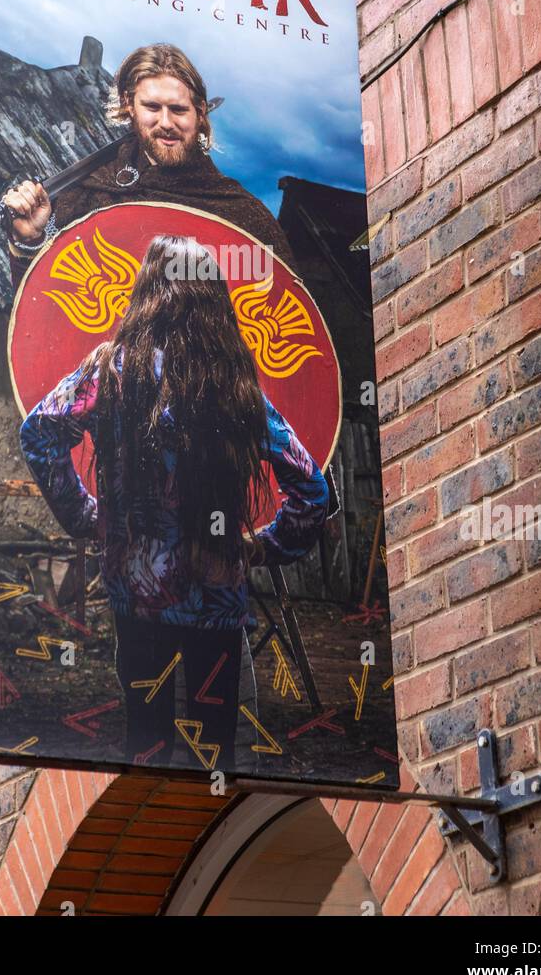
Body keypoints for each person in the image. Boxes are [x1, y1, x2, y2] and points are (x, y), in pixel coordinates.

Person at [18, 234, 328, 768]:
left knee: (146, 747)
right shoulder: (232, 383)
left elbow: (39, 433)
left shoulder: (111, 369)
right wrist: (264, 547)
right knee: (216, 759)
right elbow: (311, 490)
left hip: (135, 596)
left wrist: (86, 517)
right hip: (216, 602)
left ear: (148, 291)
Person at [2, 41, 298, 292]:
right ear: (130, 106)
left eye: (179, 109)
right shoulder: (88, 195)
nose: (166, 123)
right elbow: (48, 308)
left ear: (200, 113)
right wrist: (31, 241)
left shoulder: (241, 214)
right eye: (152, 108)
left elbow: (280, 321)